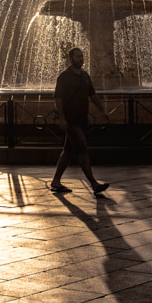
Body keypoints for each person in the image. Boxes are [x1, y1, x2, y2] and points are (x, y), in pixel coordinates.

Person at [51, 47, 110, 195]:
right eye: (77, 56)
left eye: (82, 56)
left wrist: (103, 110)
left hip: (82, 120)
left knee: (68, 151)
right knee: (82, 150)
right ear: (70, 58)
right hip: (71, 121)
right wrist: (62, 118)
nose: (81, 59)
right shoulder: (64, 77)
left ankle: (56, 181)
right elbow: (58, 99)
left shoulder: (85, 76)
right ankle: (94, 183)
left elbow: (93, 95)